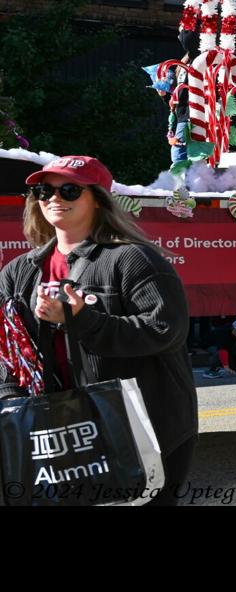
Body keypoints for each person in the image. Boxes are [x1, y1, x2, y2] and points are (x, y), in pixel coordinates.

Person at [0, 154, 199, 505]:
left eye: (70, 190)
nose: (54, 199)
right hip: (61, 429)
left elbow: (164, 331)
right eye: (44, 191)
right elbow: (6, 348)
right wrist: (12, 401)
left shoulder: (133, 259)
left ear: (98, 198)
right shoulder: (18, 272)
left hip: (142, 427)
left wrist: (81, 319)